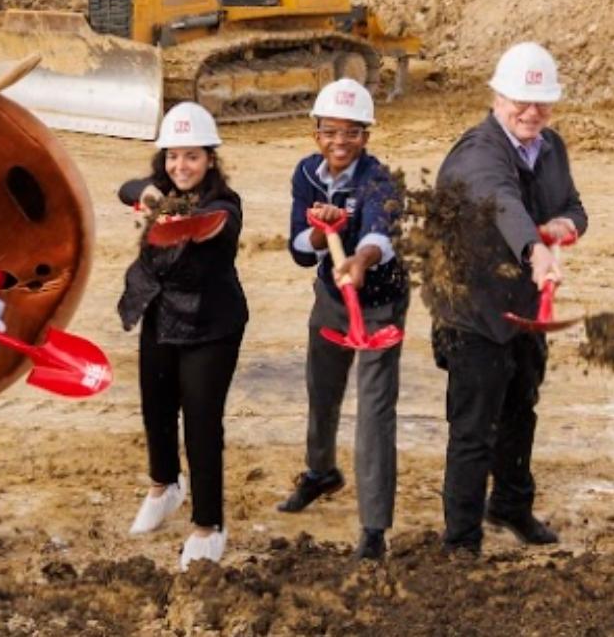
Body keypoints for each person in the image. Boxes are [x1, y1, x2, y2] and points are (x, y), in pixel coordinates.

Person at [430, 42, 586, 555]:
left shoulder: (551, 147)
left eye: (542, 102)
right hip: (473, 309)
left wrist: (568, 224)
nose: (531, 111)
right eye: (521, 99)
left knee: (522, 409)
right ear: (496, 96)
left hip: (523, 307)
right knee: (474, 428)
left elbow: (572, 204)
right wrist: (537, 250)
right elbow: (501, 200)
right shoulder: (479, 152)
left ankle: (512, 506)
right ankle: (461, 541)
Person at [278, 79, 409, 562]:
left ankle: (374, 527)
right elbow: (296, 247)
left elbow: (381, 231)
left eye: (352, 133)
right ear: (316, 133)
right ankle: (320, 473)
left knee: (374, 413)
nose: (340, 142)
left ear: (366, 137)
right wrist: (318, 234)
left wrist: (362, 258)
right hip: (333, 298)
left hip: (378, 304)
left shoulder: (378, 178)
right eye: (331, 131)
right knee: (323, 389)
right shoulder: (305, 175)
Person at [116, 102, 246, 571]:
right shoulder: (161, 189)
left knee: (201, 423)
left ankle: (209, 525)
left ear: (210, 159)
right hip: (159, 313)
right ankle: (164, 486)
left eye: (192, 157)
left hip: (210, 325)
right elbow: (125, 188)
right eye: (173, 157)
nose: (181, 166)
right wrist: (151, 195)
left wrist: (178, 220)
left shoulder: (223, 204)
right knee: (155, 407)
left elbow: (214, 226)